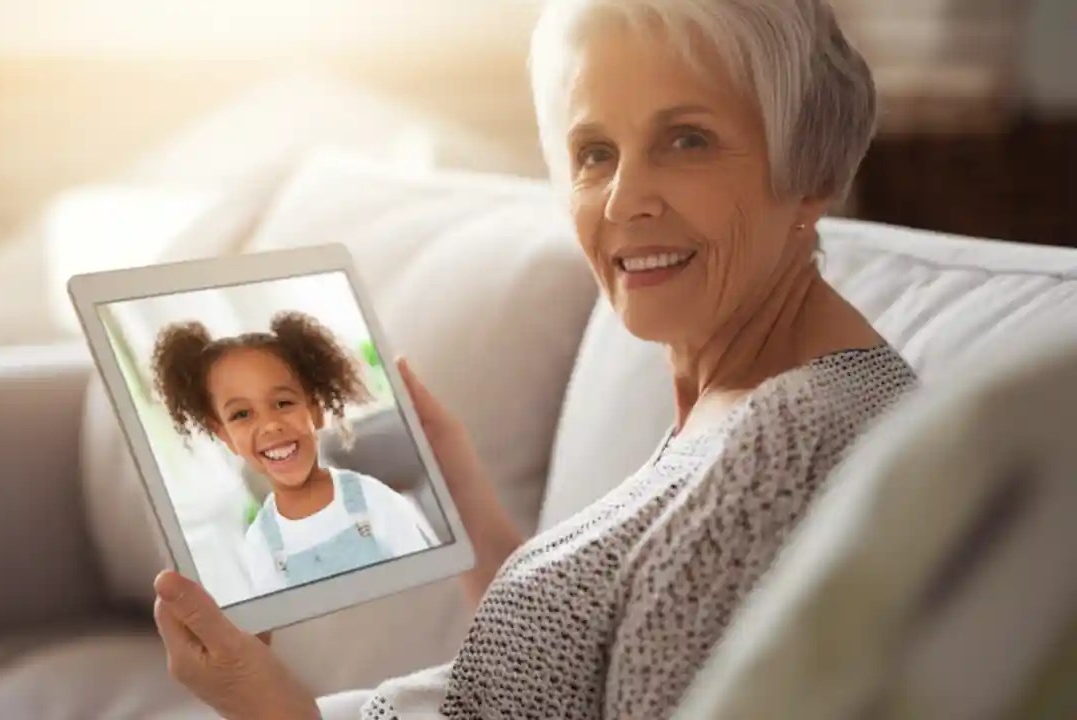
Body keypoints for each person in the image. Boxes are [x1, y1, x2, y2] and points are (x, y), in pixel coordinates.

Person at [147, 1, 921, 718]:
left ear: (812, 173)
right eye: (594, 152)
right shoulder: (744, 399)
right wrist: (474, 516)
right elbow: (577, 675)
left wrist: (264, 701)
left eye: (687, 140)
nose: (622, 201)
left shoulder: (791, 442)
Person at [151, 311, 435, 598]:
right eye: (241, 414)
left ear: (315, 410)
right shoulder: (261, 543)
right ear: (225, 436)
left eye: (283, 403)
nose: (270, 425)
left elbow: (433, 583)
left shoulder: (372, 499)